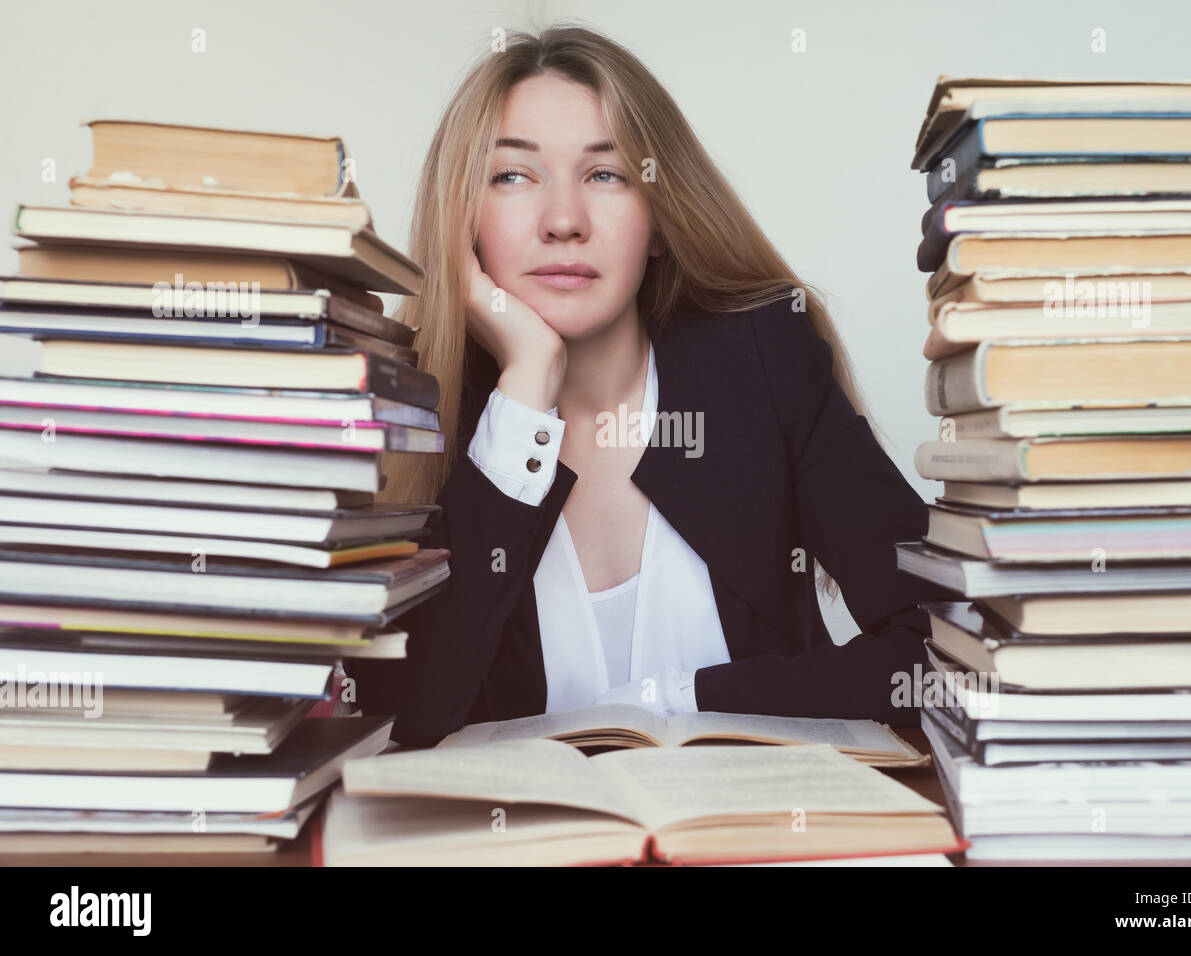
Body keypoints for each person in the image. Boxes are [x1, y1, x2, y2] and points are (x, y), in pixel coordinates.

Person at [345, 24, 957, 748]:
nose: (563, 221)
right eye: (513, 175)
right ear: (464, 223)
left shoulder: (764, 359)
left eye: (606, 175)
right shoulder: (422, 412)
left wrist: (675, 700)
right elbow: (396, 721)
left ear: (660, 220)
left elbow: (943, 648)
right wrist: (527, 384)